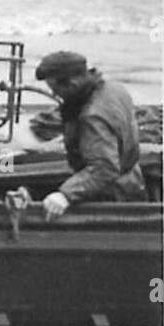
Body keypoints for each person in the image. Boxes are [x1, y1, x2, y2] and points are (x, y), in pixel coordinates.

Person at [34, 51, 146, 219]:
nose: (56, 96)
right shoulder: (114, 89)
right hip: (133, 180)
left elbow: (105, 168)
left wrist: (65, 195)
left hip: (111, 194)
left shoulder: (92, 117)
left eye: (56, 90)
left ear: (71, 84)